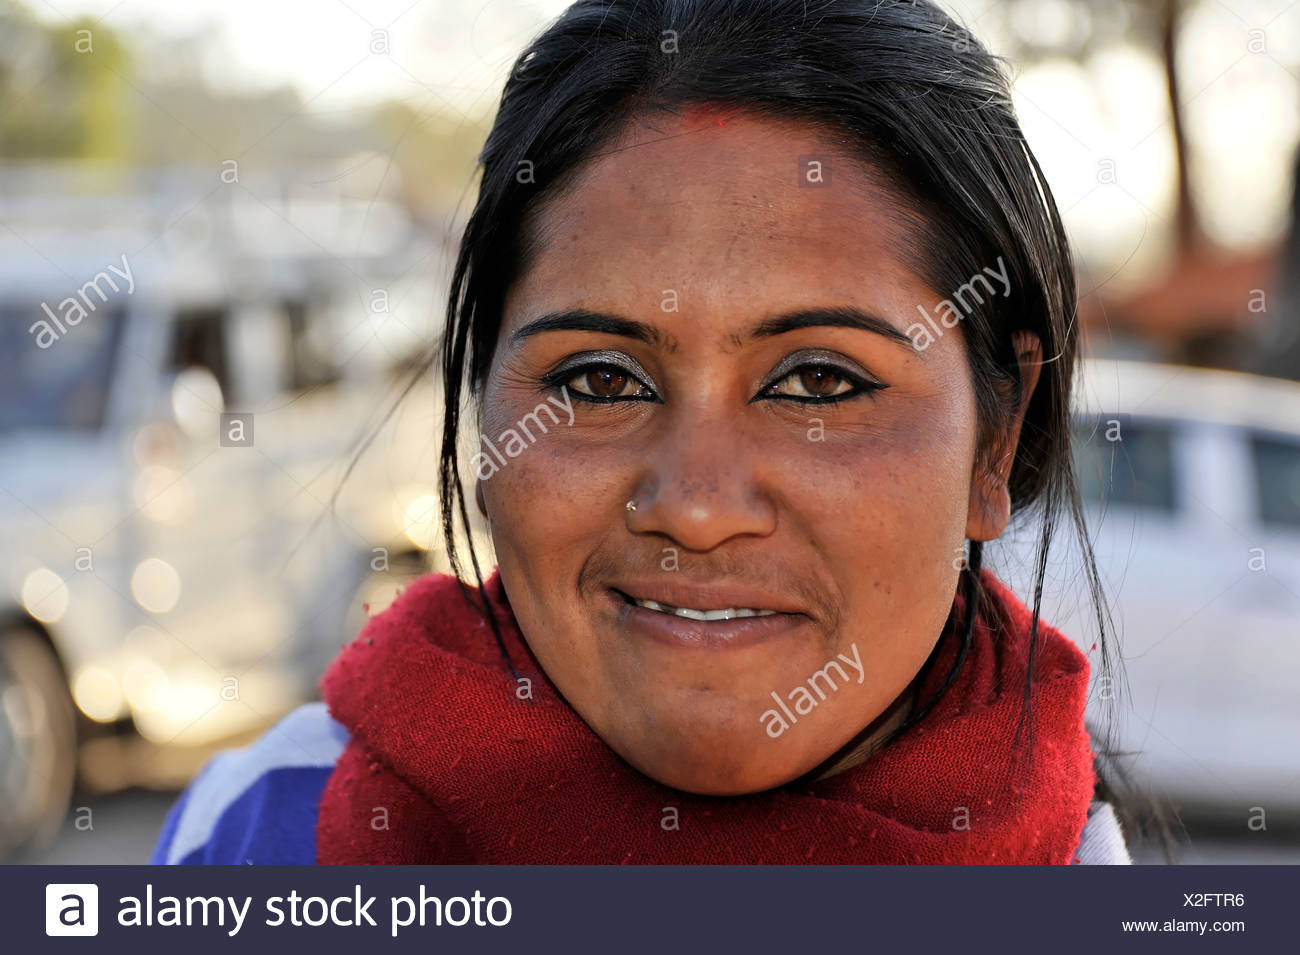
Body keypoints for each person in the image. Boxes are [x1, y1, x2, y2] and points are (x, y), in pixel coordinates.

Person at [153, 0, 1154, 865]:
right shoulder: (256, 836)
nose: (697, 504)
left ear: (996, 437)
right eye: (598, 379)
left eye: (817, 382)